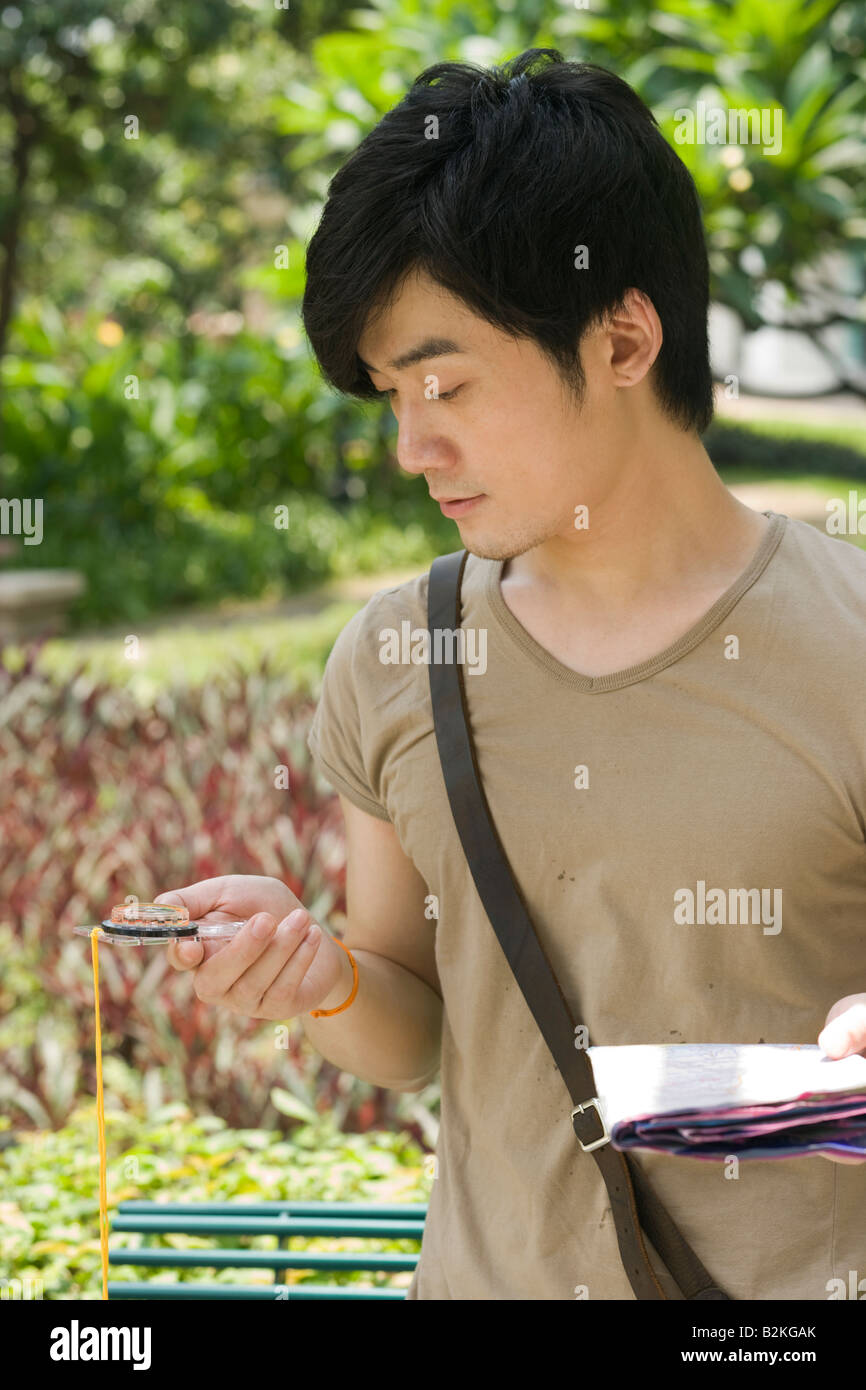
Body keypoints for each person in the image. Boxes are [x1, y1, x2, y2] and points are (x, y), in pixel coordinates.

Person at [160, 48, 866, 1300]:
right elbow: (416, 1018)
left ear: (623, 337)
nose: (408, 446)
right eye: (388, 396)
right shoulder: (395, 655)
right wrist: (317, 977)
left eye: (443, 384)